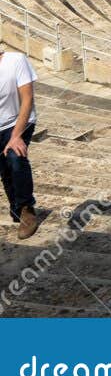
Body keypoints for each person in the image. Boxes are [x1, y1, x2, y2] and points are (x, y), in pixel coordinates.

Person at [1, 46, 39, 240]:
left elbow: (27, 99)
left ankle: (27, 208)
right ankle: (17, 208)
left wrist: (16, 135)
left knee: (15, 157)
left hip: (19, 122)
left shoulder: (16, 61)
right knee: (5, 169)